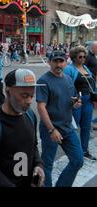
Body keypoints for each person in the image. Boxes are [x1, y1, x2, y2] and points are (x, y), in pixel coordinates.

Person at [0, 69, 45, 187]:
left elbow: (33, 147)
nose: (29, 101)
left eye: (31, 96)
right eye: (24, 95)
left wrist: (38, 165)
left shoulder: (30, 115)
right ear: (8, 92)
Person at [36, 50, 84, 187]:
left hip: (67, 128)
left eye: (61, 61)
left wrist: (75, 103)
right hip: (51, 129)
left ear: (65, 62)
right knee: (47, 164)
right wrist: (51, 130)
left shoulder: (68, 79)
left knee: (78, 160)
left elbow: (69, 100)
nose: (58, 64)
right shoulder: (44, 81)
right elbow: (41, 107)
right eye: (55, 61)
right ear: (50, 62)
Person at [64, 46, 96, 160]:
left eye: (84, 56)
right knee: (74, 127)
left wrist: (94, 98)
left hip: (88, 102)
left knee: (86, 127)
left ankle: (84, 150)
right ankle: (73, 151)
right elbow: (66, 86)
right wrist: (72, 99)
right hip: (77, 101)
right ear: (74, 57)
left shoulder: (86, 68)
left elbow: (92, 83)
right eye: (80, 57)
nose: (82, 58)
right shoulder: (69, 69)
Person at [85, 42, 97, 131]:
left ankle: (92, 121)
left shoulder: (94, 56)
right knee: (92, 102)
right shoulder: (88, 57)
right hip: (90, 83)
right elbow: (83, 68)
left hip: (94, 82)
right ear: (93, 47)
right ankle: (90, 122)